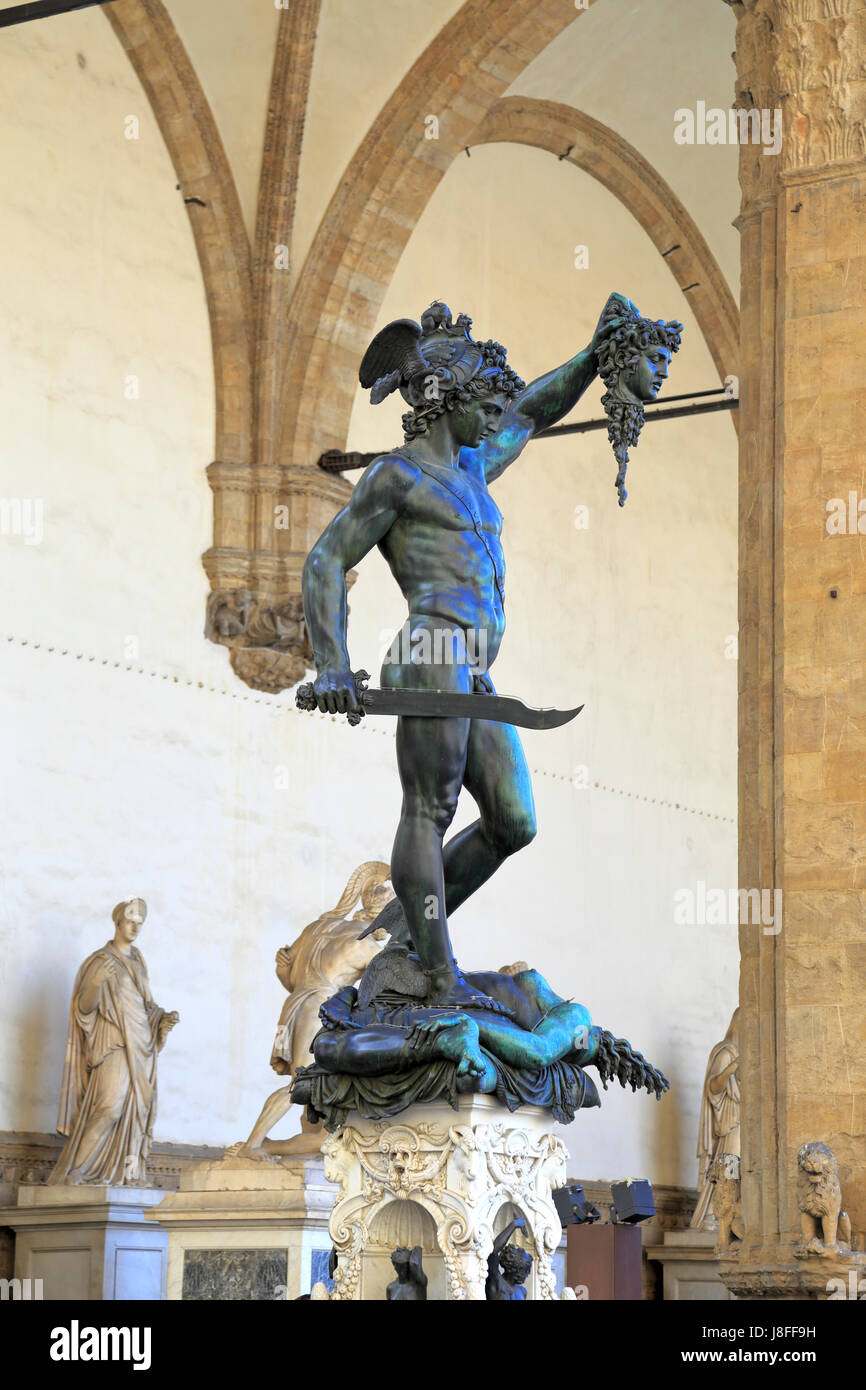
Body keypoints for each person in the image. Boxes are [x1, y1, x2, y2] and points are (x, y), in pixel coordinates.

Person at [302, 296, 649, 1012]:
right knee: (429, 806)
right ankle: (434, 970)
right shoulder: (396, 478)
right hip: (432, 645)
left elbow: (532, 412)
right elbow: (326, 562)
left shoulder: (472, 467)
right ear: (448, 399)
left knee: (513, 821)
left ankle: (409, 942)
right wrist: (330, 663)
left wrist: (593, 352)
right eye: (485, 401)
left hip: (473, 667)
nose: (498, 414)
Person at [48, 899, 178, 1186]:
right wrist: (94, 984)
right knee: (109, 1108)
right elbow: (83, 1009)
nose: (135, 927)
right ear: (117, 921)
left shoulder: (138, 960)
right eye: (130, 921)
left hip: (142, 1050)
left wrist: (161, 1021)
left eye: (140, 923)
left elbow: (146, 1007)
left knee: (134, 1115)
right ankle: (76, 1172)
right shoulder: (99, 961)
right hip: (114, 1045)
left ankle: (128, 1174)